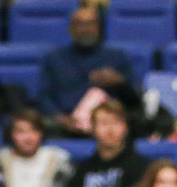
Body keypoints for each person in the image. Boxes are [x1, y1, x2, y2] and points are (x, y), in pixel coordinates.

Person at [39, 6, 134, 134]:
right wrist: (60, 118)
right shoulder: (54, 59)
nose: (86, 29)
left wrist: (119, 82)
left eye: (91, 23)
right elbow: (44, 97)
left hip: (108, 126)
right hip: (65, 125)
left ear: (99, 28)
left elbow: (134, 101)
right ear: (70, 29)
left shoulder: (117, 57)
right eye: (80, 24)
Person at [64, 101, 152, 187]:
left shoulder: (141, 166)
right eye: (104, 123)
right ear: (93, 129)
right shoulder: (82, 168)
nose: (110, 130)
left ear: (125, 128)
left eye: (116, 123)